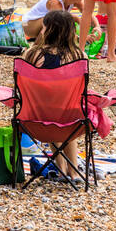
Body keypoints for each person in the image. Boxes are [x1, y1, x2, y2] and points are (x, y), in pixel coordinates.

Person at [20, 9, 88, 177]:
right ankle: (72, 171)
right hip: (71, 121)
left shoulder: (31, 54)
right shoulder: (79, 56)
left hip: (35, 117)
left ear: (48, 29)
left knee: (49, 107)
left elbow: (20, 87)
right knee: (65, 111)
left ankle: (62, 167)